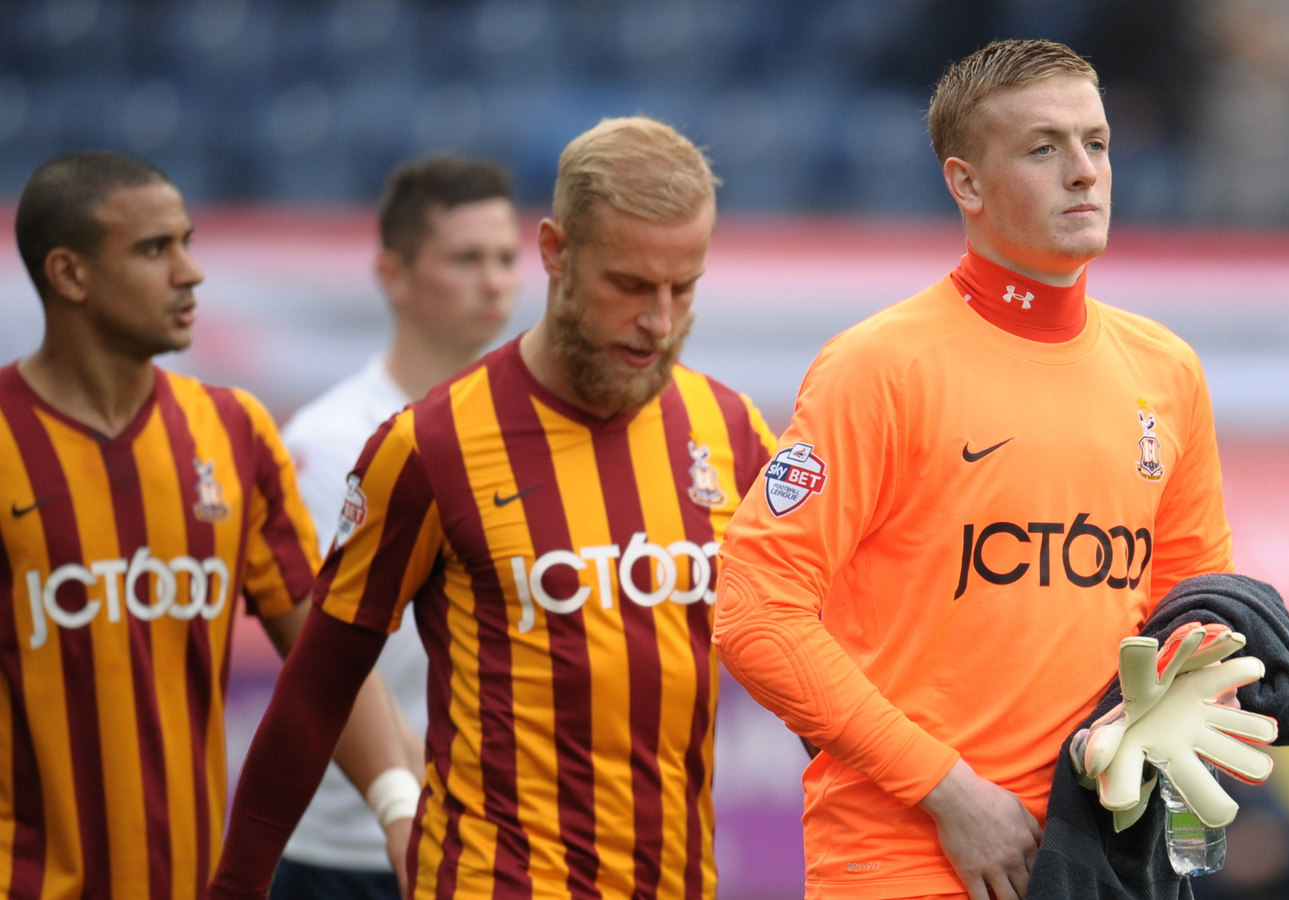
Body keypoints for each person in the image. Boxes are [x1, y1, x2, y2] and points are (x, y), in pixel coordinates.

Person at [712, 39, 1234, 900]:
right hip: (909, 859)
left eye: (1096, 143)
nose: (1083, 172)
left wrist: (1194, 703)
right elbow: (755, 612)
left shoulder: (1167, 369)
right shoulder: (880, 366)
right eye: (1044, 148)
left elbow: (1193, 602)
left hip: (1097, 862)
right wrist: (947, 792)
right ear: (966, 184)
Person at [210, 117, 776, 900]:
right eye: (630, 285)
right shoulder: (430, 445)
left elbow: (823, 652)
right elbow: (316, 690)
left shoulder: (731, 430)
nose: (660, 322)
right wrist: (237, 885)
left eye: (685, 288)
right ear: (554, 251)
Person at [0, 151, 411, 899]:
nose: (191, 272)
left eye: (188, 241)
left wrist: (398, 804)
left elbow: (325, 653)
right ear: (69, 275)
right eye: (155, 249)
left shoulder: (232, 432)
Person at [272, 156, 523, 899]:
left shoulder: (534, 435)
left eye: (507, 258)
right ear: (393, 273)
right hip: (353, 852)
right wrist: (408, 804)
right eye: (466, 258)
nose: (494, 281)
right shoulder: (329, 443)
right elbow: (331, 659)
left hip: (489, 845)